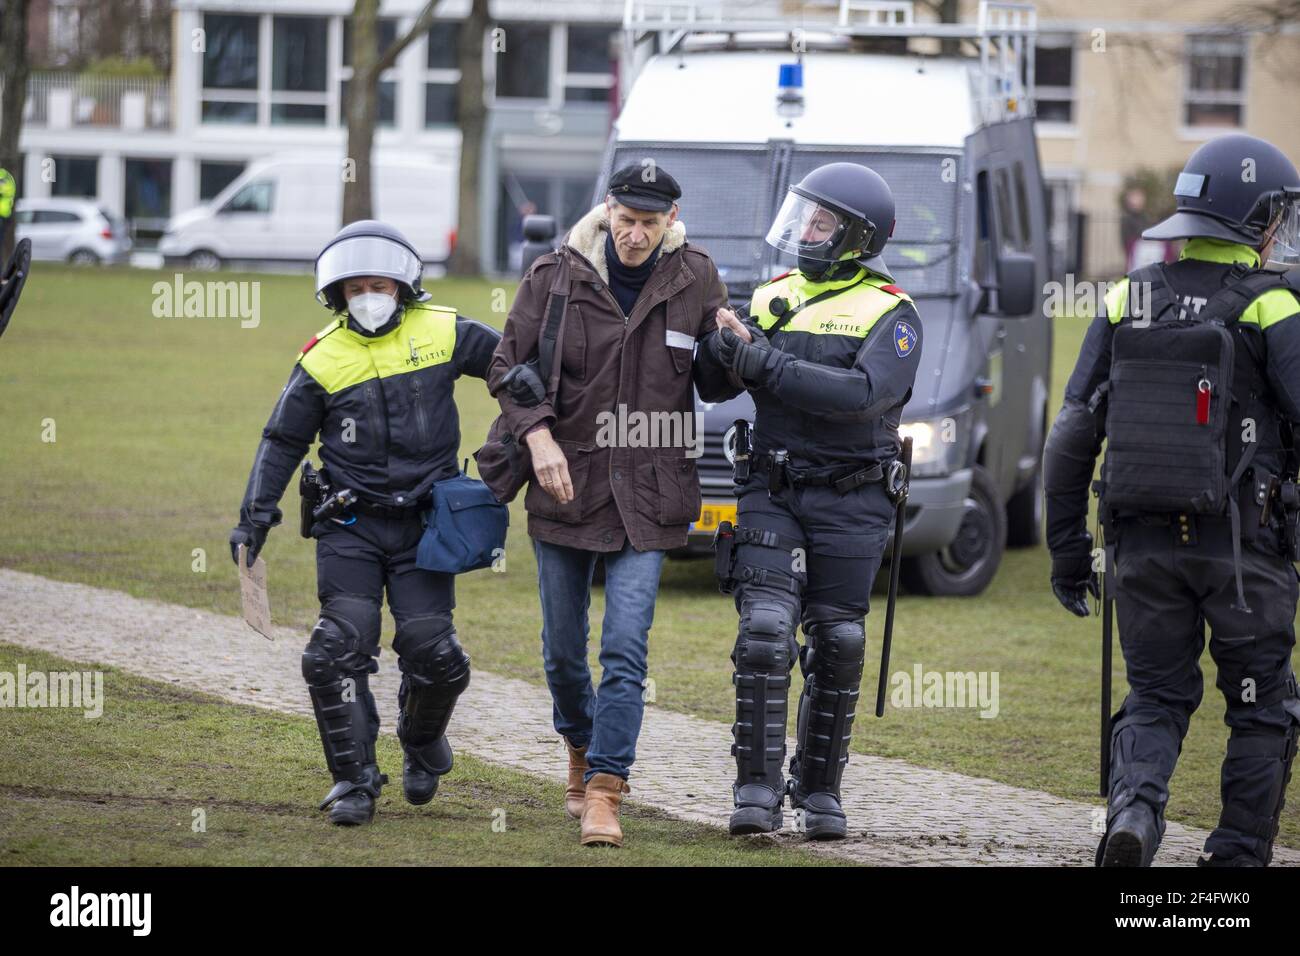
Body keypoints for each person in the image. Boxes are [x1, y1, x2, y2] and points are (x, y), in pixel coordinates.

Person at [1045, 133, 1300, 866]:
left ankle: (1134, 815)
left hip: (1142, 548)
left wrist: (1067, 553)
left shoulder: (1129, 296)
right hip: (1245, 553)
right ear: (1253, 221)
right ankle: (1235, 856)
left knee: (1156, 694)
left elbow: (1070, 436)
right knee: (1260, 706)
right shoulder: (1274, 307)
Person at [229, 220, 501, 825]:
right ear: (338, 296)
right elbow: (281, 441)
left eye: (379, 284)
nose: (369, 296)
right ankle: (354, 781)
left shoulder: (445, 331)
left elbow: (514, 369)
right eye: (356, 288)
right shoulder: (322, 357)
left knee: (437, 657)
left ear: (403, 287)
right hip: (347, 525)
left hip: (426, 529)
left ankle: (420, 737)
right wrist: (254, 520)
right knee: (333, 650)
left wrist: (523, 426)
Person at [489, 163, 728, 847]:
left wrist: (733, 346)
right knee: (564, 652)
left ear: (671, 220)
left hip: (651, 496)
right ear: (608, 209)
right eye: (626, 218)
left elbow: (711, 379)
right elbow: (506, 368)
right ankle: (578, 744)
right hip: (567, 485)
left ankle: (604, 788)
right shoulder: (553, 275)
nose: (635, 233)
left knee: (625, 647)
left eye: (650, 222)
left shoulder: (697, 276)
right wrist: (538, 441)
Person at [697, 162, 923, 840]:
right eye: (803, 216)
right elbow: (712, 387)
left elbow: (860, 400)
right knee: (764, 633)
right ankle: (756, 789)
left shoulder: (894, 313)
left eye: (820, 221)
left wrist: (761, 363)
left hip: (853, 499)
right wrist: (719, 345)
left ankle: (819, 790)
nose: (805, 230)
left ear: (855, 236)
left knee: (840, 640)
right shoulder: (770, 296)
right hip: (771, 488)